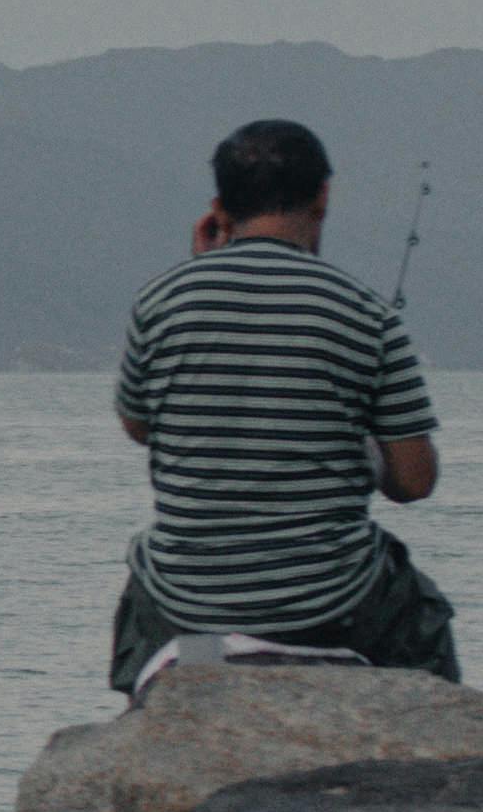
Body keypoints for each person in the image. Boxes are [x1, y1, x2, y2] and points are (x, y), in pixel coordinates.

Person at [108, 119, 457, 694]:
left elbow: (140, 425)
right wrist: (365, 454)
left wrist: (200, 270)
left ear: (219, 207)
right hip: (330, 612)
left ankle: (161, 704)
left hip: (188, 611)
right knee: (418, 616)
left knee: (151, 567)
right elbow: (414, 482)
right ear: (323, 196)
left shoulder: (160, 301)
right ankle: (430, 739)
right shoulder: (366, 314)